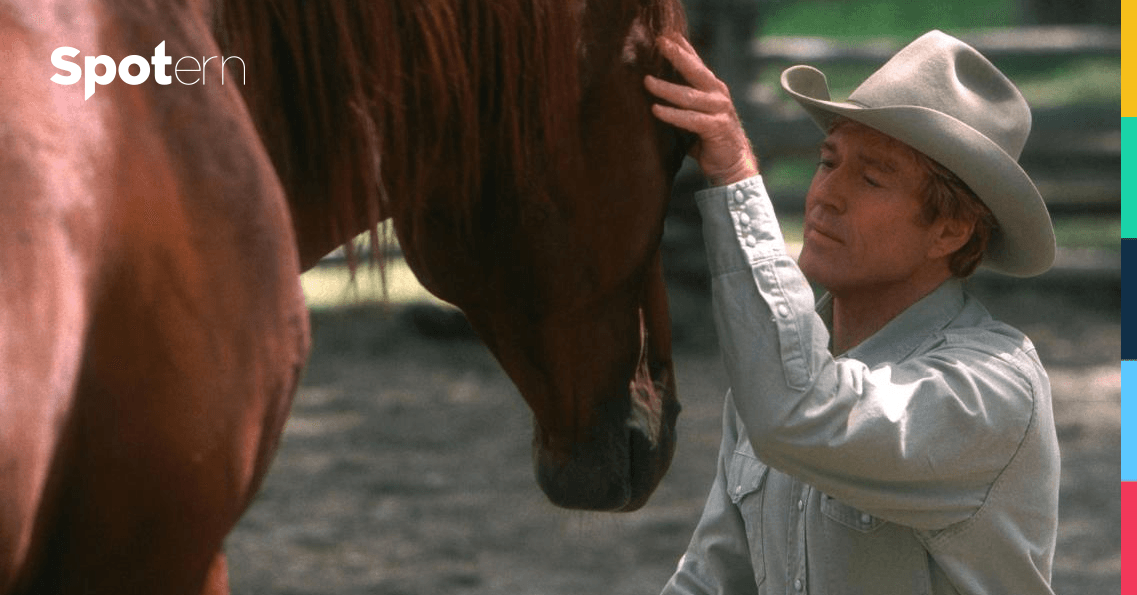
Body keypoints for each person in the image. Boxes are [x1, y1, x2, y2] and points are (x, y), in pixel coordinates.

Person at [643, 30, 1060, 594]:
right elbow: (713, 580)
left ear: (951, 229)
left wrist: (735, 176)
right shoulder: (776, 369)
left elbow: (799, 410)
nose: (826, 195)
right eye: (827, 161)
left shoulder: (991, 389)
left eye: (870, 178)